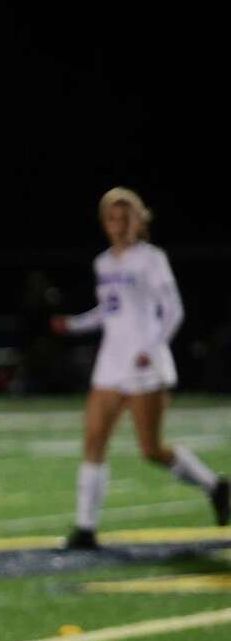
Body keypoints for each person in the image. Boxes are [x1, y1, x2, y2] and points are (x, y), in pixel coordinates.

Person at [51, 187, 229, 549]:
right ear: (105, 223)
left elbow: (174, 309)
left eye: (125, 217)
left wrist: (152, 347)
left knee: (150, 449)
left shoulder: (152, 259)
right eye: (112, 218)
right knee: (94, 441)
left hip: (144, 363)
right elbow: (107, 312)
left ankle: (215, 486)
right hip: (110, 363)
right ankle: (86, 528)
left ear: (138, 220)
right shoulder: (103, 263)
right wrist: (73, 325)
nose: (118, 224)